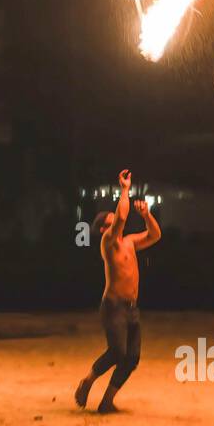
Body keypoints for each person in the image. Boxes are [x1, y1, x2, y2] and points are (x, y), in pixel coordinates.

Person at [75, 169, 161, 413]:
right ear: (104, 229)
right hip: (113, 306)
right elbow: (121, 218)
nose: (116, 219)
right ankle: (88, 381)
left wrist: (146, 214)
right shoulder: (108, 243)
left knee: (132, 358)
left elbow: (155, 235)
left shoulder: (130, 242)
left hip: (132, 308)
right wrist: (125, 189)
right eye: (110, 220)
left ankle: (107, 401)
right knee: (117, 351)